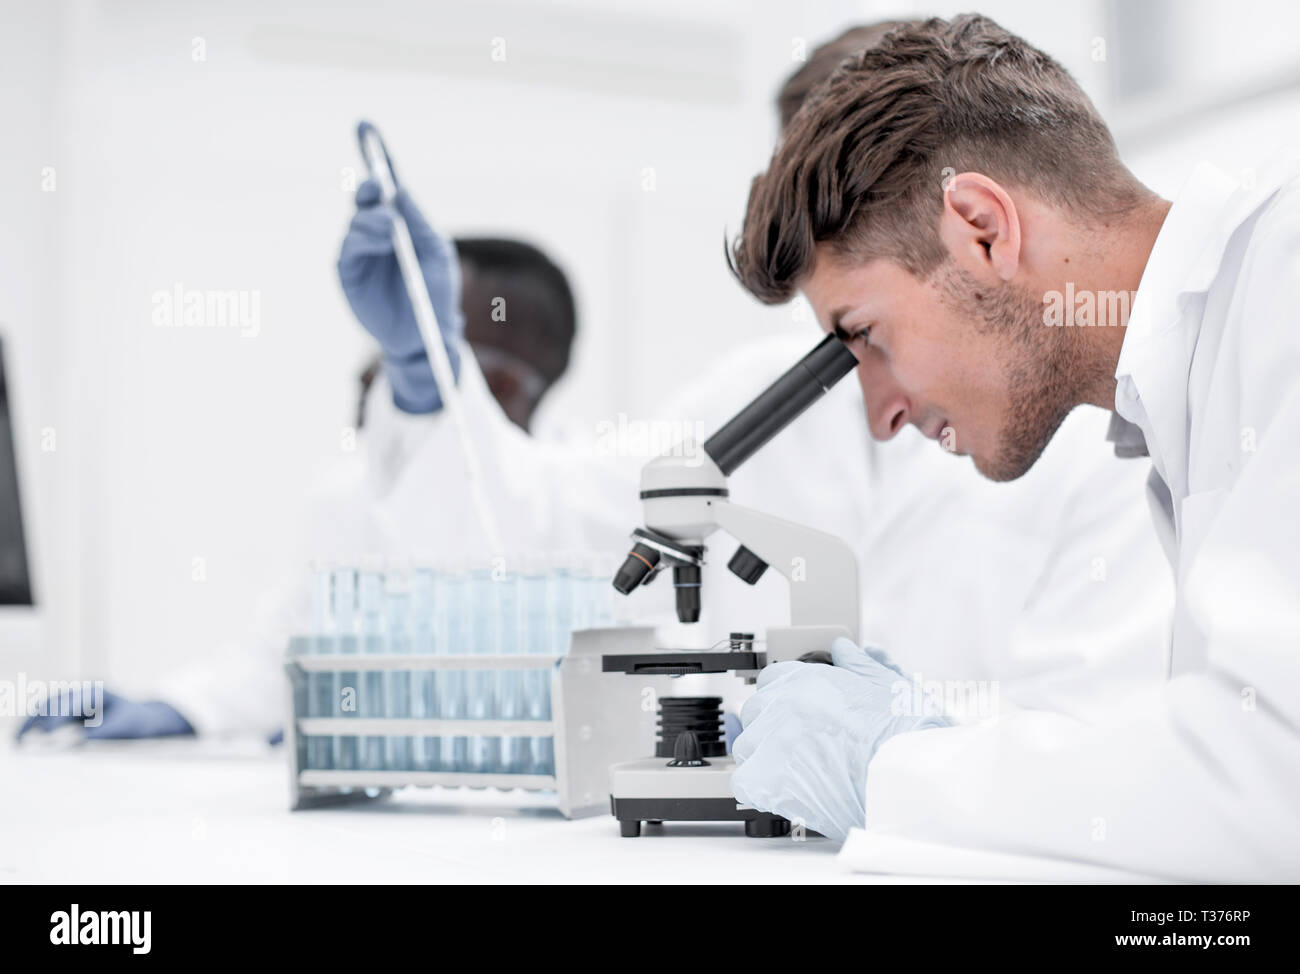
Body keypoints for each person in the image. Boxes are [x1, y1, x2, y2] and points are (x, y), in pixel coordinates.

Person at [19, 23, 1171, 750]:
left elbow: (1118, 771)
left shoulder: (1088, 405)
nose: (855, 383)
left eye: (857, 320)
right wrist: (428, 375)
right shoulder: (772, 390)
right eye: (830, 330)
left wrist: (888, 753)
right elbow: (537, 530)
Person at [724, 14, 1300, 880]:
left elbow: (1273, 777)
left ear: (983, 228)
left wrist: (893, 766)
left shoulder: (1285, 282)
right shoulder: (1192, 385)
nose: (878, 413)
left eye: (866, 335)